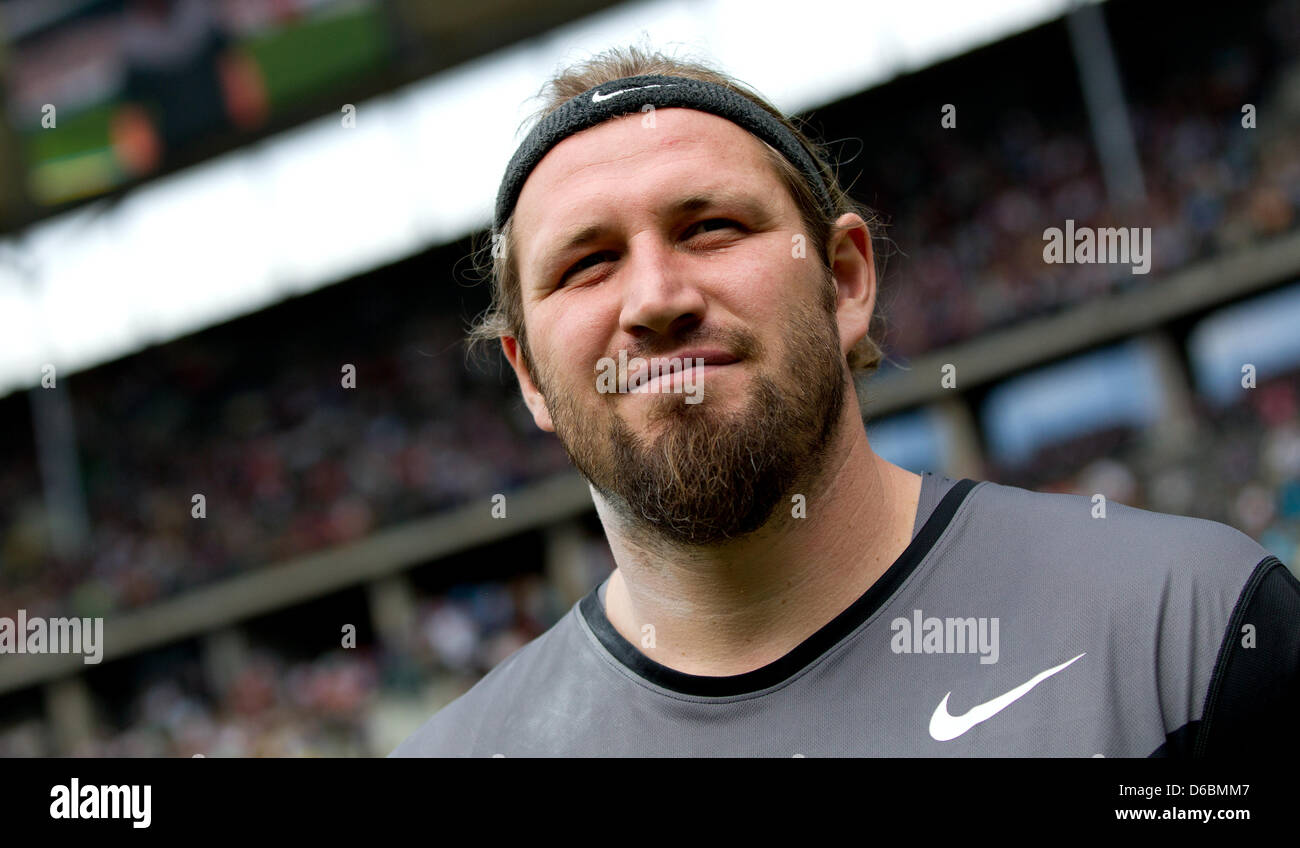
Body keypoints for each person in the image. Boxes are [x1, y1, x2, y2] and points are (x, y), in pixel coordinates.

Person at [391, 47, 1298, 756]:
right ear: (529, 377)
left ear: (844, 278)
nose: (656, 298)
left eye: (710, 227)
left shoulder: (1186, 630)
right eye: (588, 264)